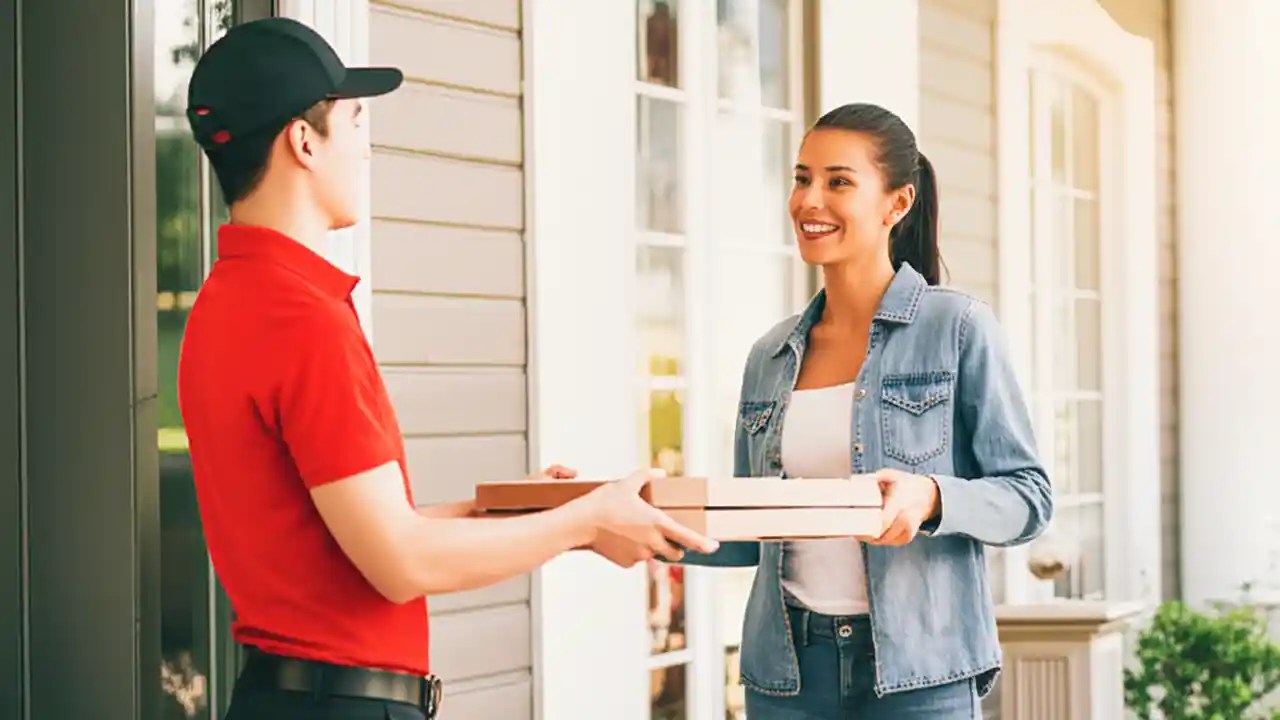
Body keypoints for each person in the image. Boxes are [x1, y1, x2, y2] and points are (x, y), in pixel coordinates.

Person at [176, 18, 717, 720]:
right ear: (303, 141)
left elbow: (344, 537)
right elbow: (402, 562)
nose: (369, 148)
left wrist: (506, 511)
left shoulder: (227, 303)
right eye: (357, 121)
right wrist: (586, 522)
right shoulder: (300, 318)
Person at [679, 102, 1053, 718]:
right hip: (789, 678)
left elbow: (1028, 496)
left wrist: (932, 498)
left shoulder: (957, 328)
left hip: (919, 679)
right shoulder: (769, 356)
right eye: (802, 179)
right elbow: (749, 532)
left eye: (838, 182)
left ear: (897, 203)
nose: (809, 200)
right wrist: (627, 515)